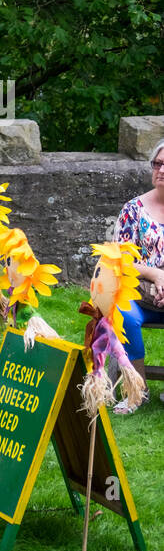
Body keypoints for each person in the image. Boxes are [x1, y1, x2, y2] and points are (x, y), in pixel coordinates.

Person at [113, 138, 164, 405]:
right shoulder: (133, 210)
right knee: (124, 315)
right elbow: (120, 260)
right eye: (158, 164)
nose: (162, 170)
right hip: (139, 293)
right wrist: (155, 275)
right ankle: (137, 389)